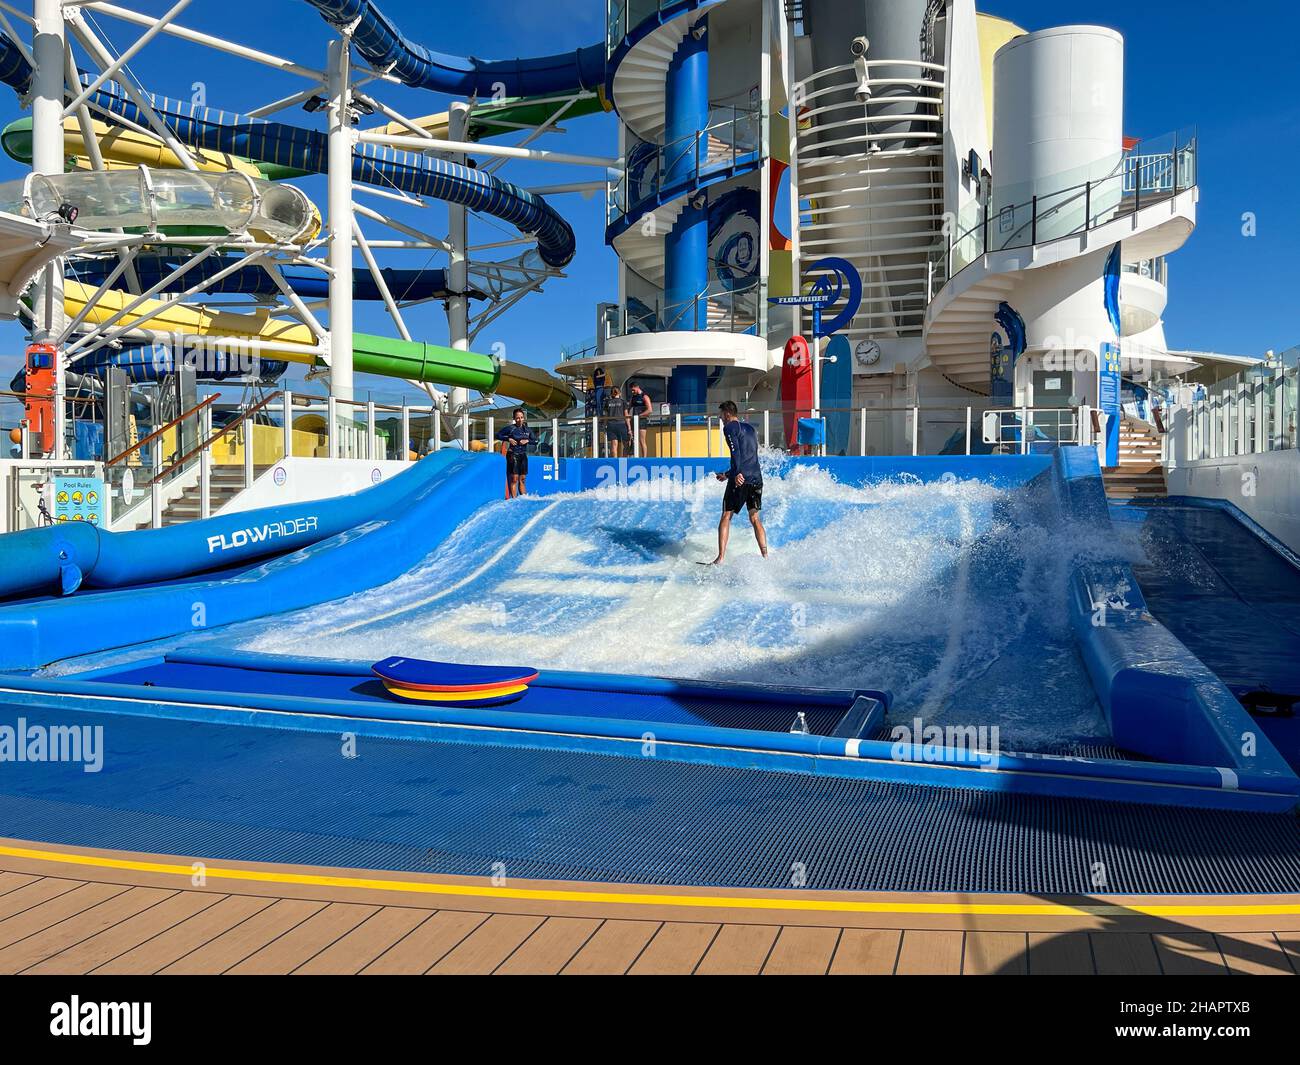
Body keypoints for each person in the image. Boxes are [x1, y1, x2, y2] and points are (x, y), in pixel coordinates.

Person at [709, 400, 768, 565]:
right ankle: (766, 557)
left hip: (741, 477)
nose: (721, 419)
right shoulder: (750, 428)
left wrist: (737, 473)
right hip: (756, 477)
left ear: (727, 414)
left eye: (721, 415)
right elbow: (749, 455)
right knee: (755, 517)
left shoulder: (729, 427)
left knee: (726, 515)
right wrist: (728, 474)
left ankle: (720, 558)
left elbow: (736, 453)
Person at [496, 408, 536, 499]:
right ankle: (514, 500)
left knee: (522, 479)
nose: (520, 420)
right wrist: (508, 439)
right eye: (517, 418)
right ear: (514, 418)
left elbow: (535, 440)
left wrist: (527, 440)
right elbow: (498, 435)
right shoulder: (511, 428)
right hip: (513, 454)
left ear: (524, 418)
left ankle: (524, 499)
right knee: (514, 478)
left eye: (521, 417)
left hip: (523, 455)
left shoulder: (527, 430)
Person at [627, 381, 653, 456]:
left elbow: (650, 410)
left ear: (637, 387)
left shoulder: (644, 396)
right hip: (634, 420)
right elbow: (628, 408)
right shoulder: (633, 397)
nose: (632, 392)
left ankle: (644, 458)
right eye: (631, 390)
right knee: (632, 439)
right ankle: (633, 456)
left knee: (642, 440)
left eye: (633, 390)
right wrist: (628, 418)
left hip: (642, 421)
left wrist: (640, 415)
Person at [604, 385, 630, 458]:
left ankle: (615, 462)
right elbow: (626, 415)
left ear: (611, 393)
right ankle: (624, 461)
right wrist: (629, 428)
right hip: (622, 424)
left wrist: (604, 426)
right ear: (620, 393)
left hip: (611, 425)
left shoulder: (607, 402)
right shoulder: (623, 402)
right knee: (626, 444)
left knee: (614, 445)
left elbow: (606, 416)